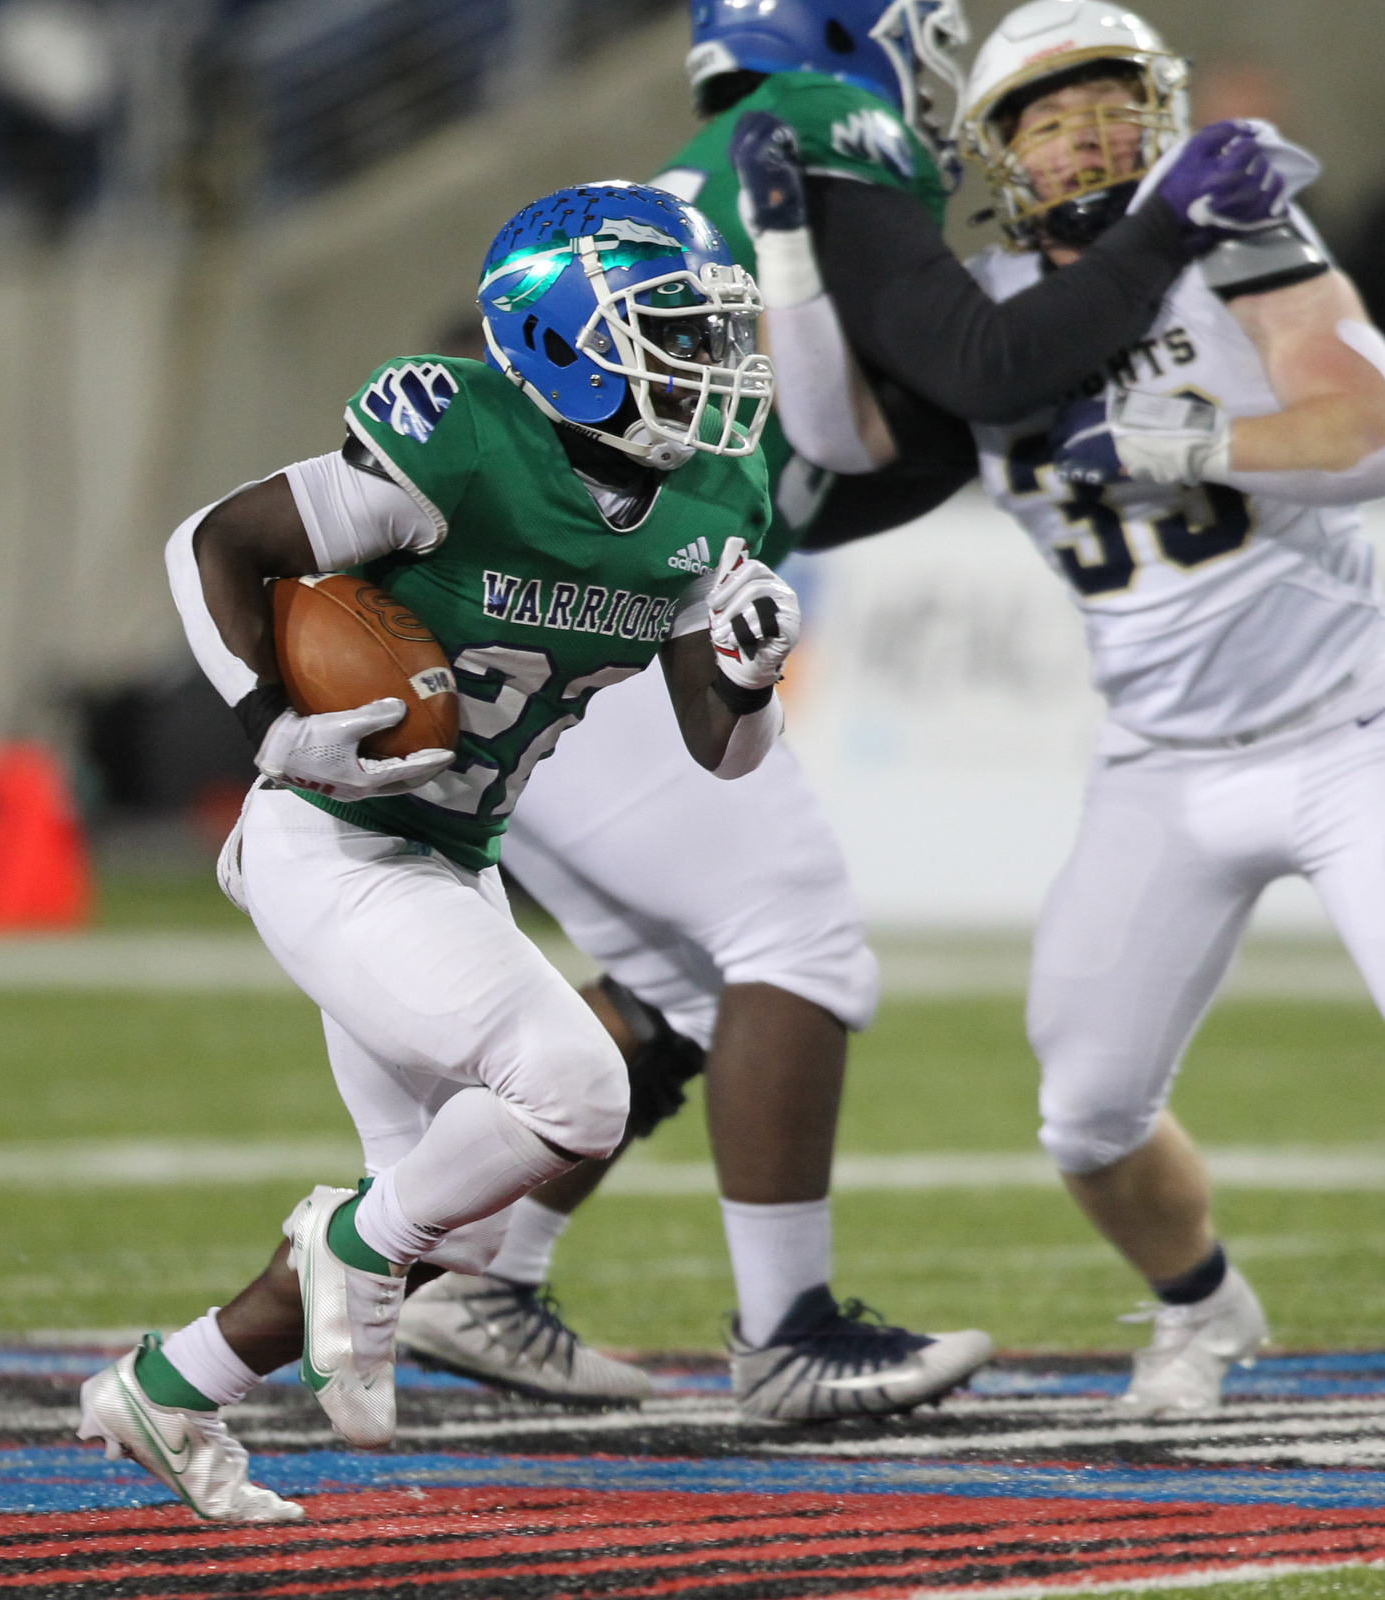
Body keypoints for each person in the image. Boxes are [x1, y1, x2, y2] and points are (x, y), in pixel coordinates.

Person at [398, 0, 1292, 1422]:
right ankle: (788, 1332)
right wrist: (1167, 228)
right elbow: (980, 372)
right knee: (794, 941)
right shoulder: (820, 126)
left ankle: (476, 1277)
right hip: (601, 601)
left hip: (527, 601)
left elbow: (853, 439)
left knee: (684, 989)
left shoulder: (727, 168)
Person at [75, 181, 803, 1522]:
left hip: (454, 856)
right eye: (673, 332)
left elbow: (721, 748)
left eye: (709, 334)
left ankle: (168, 1393)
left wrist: (750, 677)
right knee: (573, 1094)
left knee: (453, 1227)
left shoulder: (715, 493)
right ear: (561, 337)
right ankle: (341, 1238)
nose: (707, 367)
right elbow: (212, 545)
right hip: (332, 841)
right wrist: (273, 723)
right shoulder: (460, 436)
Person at [752, 0, 1385, 1416]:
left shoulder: (1237, 235)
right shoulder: (979, 311)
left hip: (1359, 728)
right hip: (1162, 763)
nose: (1090, 132)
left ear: (1158, 111)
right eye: (1050, 115)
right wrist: (795, 266)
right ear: (1001, 153)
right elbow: (838, 442)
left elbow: (1367, 430)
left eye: (1111, 101)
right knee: (1087, 1109)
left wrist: (1204, 438)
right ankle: (1206, 1312)